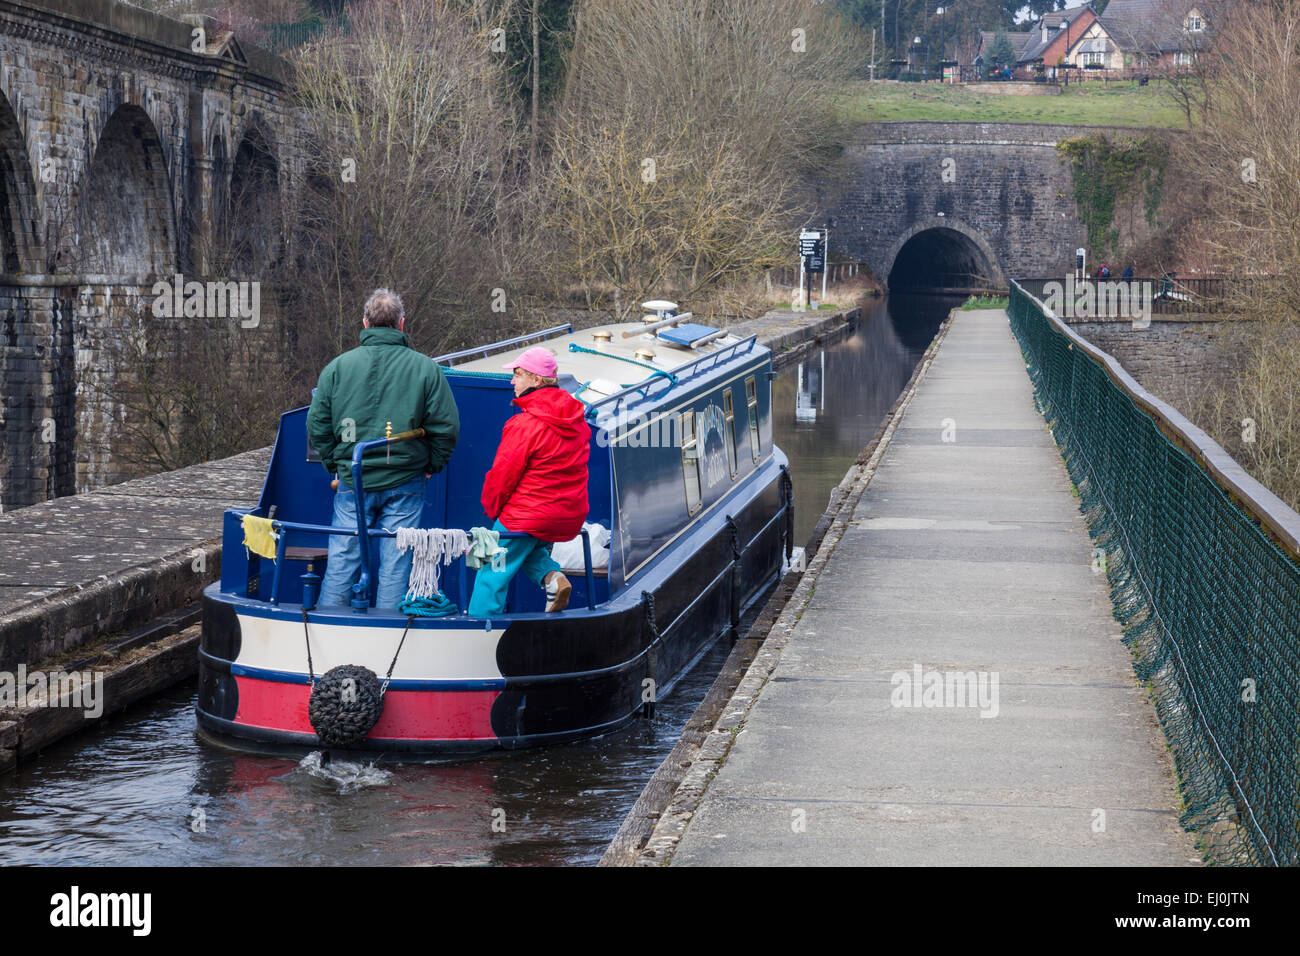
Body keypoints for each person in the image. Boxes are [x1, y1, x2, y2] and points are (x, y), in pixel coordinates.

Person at [307, 289, 459, 609]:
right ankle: (388, 630)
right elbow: (446, 427)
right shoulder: (426, 369)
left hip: (353, 479)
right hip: (406, 479)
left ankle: (330, 624)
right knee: (397, 559)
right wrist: (432, 464)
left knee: (343, 558)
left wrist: (335, 464)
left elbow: (317, 424)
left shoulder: (337, 368)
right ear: (402, 324)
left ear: (365, 323)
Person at [468, 347, 590, 616]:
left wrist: (493, 513)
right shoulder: (578, 421)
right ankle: (552, 577)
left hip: (528, 514)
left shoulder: (525, 424)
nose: (512, 381)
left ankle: (481, 629)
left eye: (517, 374)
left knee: (492, 569)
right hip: (566, 515)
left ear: (536, 380)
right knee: (528, 546)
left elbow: (501, 476)